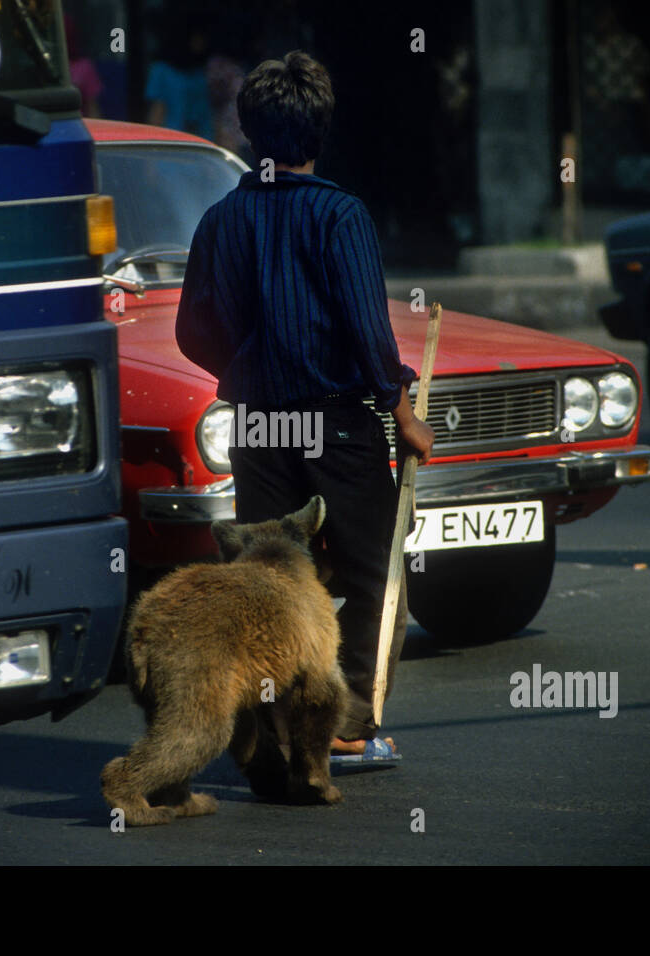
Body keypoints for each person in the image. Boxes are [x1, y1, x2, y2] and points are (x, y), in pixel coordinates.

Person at [175, 50, 434, 765]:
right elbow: (366, 328)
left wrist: (246, 371)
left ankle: (275, 729)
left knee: (271, 586)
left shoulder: (222, 219)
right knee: (372, 577)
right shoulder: (341, 214)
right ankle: (346, 727)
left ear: (250, 134)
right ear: (320, 130)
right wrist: (403, 410)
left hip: (259, 426)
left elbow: (191, 331)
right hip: (338, 422)